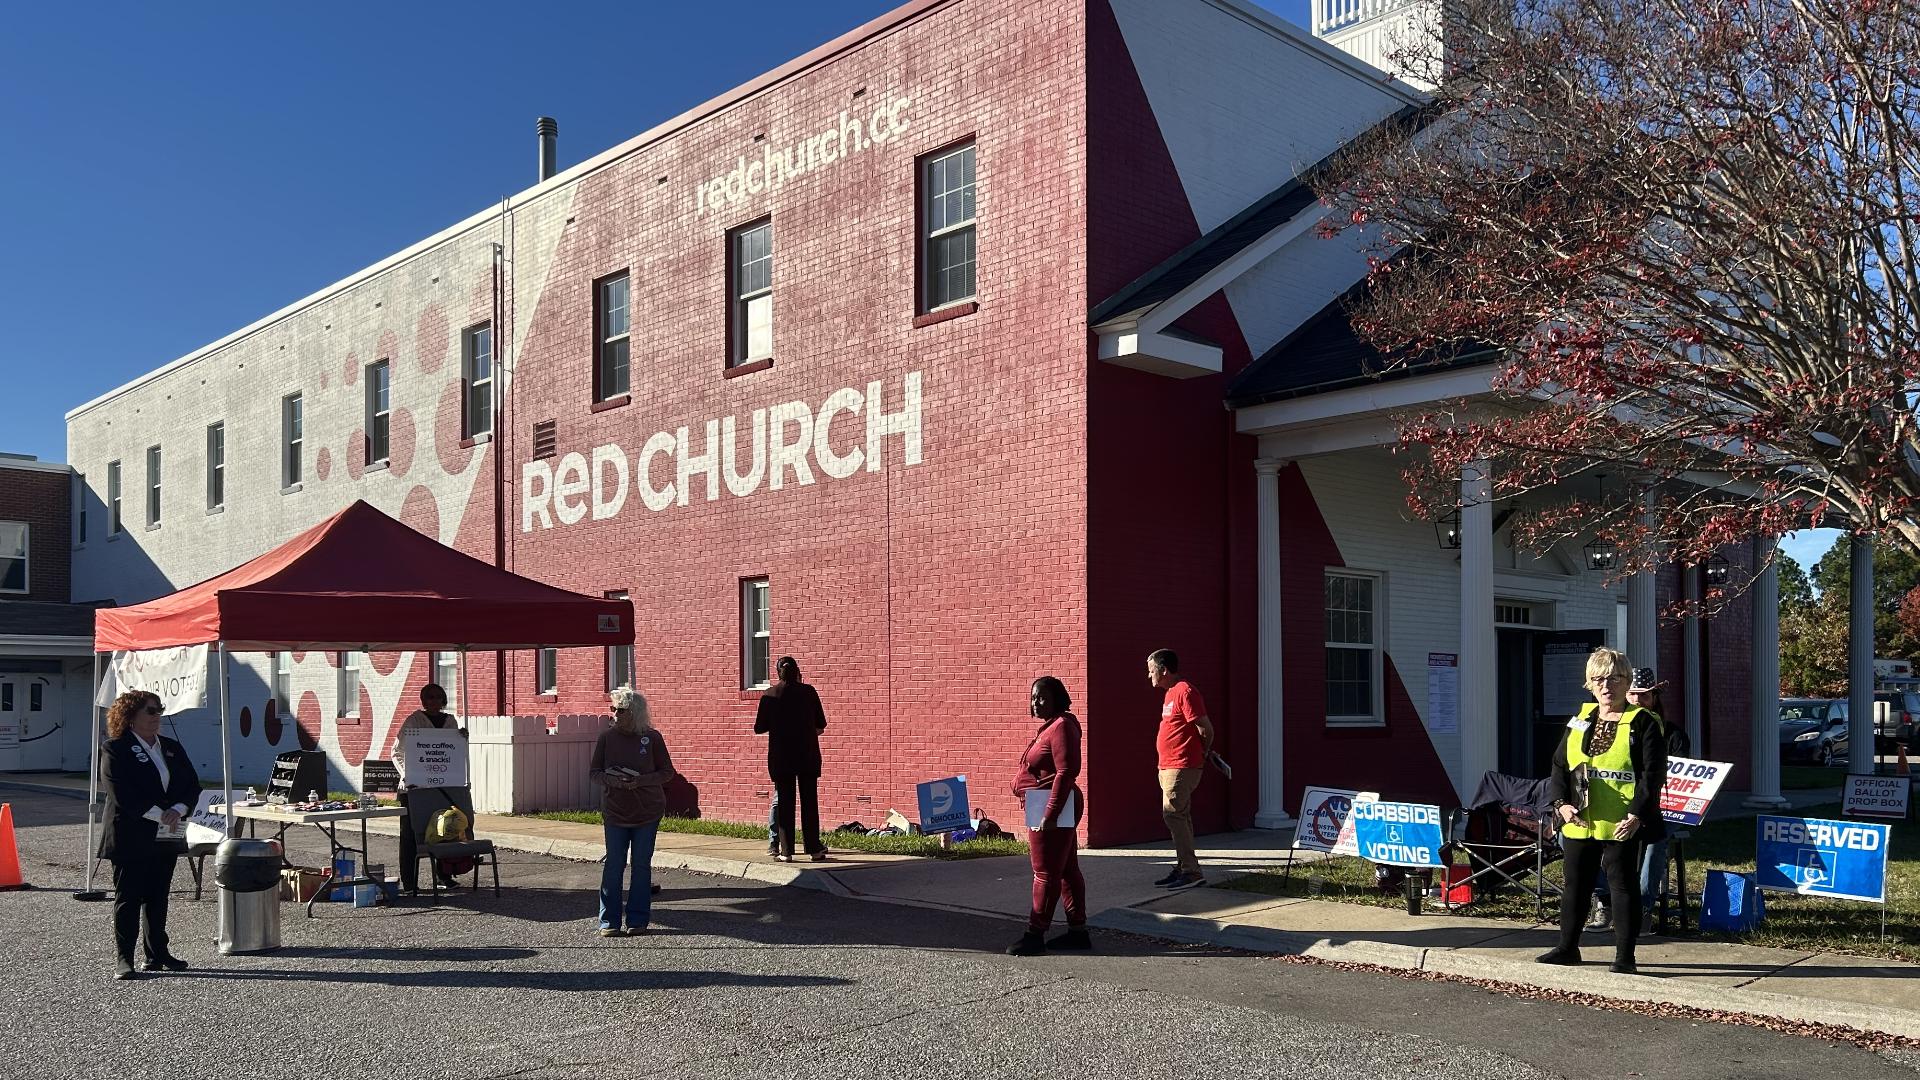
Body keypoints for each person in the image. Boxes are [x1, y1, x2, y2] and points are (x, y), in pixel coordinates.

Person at [1540, 648, 1669, 974]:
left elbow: (1652, 775)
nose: (1606, 686)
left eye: (1614, 678)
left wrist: (1637, 814)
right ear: (1589, 684)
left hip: (1622, 821)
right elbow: (1560, 766)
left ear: (1627, 682)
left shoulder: (1643, 723)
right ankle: (1567, 948)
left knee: (1622, 886)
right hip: (1579, 819)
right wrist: (1561, 804)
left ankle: (1625, 958)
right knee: (1575, 885)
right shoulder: (1580, 720)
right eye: (1598, 679)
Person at [99, 690, 202, 980]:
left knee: (158, 895)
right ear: (131, 716)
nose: (158, 716)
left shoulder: (171, 747)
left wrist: (180, 809)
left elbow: (191, 785)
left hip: (166, 833)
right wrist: (161, 814)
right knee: (129, 896)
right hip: (131, 833)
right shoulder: (115, 748)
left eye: (160, 710)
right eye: (151, 710)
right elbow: (121, 793)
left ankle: (157, 952)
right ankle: (124, 958)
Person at [1007, 676, 1089, 956]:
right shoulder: (1052, 726)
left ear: (1057, 698)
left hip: (1049, 804)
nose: (1035, 702)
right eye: (1033, 697)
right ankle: (1078, 932)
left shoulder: (1062, 726)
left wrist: (1050, 813)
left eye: (1042, 697)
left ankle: (1035, 934)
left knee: (1044, 873)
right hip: (1043, 803)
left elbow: (1066, 772)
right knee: (1065, 869)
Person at [589, 688, 676, 936]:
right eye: (613, 709)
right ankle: (609, 921)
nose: (615, 714)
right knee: (614, 865)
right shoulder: (606, 738)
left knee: (641, 865)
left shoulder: (652, 738)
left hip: (647, 811)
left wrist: (640, 780)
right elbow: (594, 772)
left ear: (634, 712)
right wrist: (615, 781)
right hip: (615, 811)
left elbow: (666, 772)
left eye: (621, 710)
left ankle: (638, 920)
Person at [1148, 649, 1213, 889]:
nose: (1149, 675)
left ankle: (1192, 872)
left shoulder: (1185, 692)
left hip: (1182, 765)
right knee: (1180, 816)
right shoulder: (1169, 694)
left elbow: (1206, 729)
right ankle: (1183, 866)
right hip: (1168, 765)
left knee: (1173, 814)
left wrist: (1203, 752)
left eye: (1151, 670)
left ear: (1163, 670)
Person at [754, 656, 829, 862]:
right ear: (797, 671)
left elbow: (759, 727)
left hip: (782, 757)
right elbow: (821, 724)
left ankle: (786, 851)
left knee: (785, 803)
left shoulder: (770, 694)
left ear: (778, 672)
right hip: (807, 754)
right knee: (809, 802)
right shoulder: (809, 692)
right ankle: (814, 849)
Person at [1629, 668, 1687, 932]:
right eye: (1632, 695)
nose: (1637, 701)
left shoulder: (1673, 735)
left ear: (1654, 697)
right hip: (1623, 806)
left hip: (1663, 807)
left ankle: (1641, 909)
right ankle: (1606, 900)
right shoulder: (1611, 732)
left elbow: (1684, 779)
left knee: (1655, 841)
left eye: (1644, 696)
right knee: (1574, 839)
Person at [393, 683, 463, 894]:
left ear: (444, 700)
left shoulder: (450, 722)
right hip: (413, 788)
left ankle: (444, 875)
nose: (433, 701)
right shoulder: (414, 720)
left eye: (437, 697)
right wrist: (408, 775)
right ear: (422, 701)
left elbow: (453, 752)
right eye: (428, 697)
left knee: (444, 831)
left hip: (441, 787)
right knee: (410, 836)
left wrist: (462, 739)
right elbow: (397, 752)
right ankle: (409, 882)